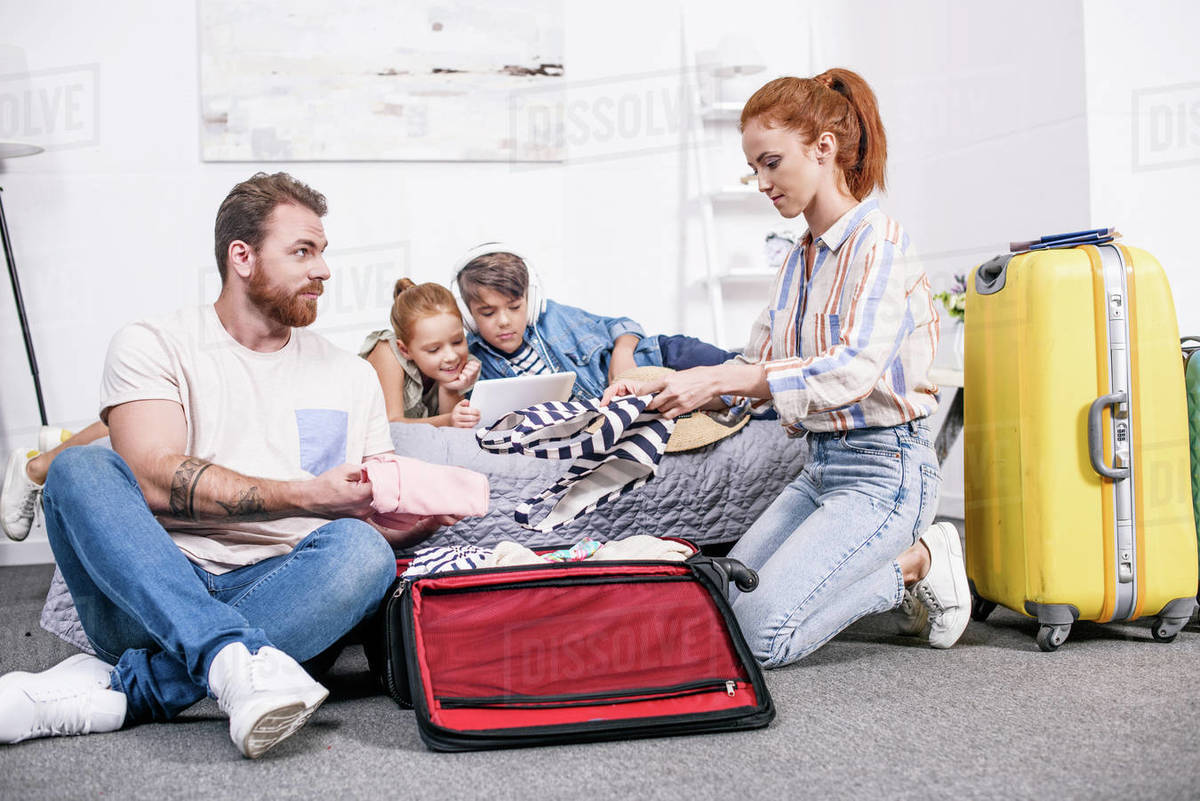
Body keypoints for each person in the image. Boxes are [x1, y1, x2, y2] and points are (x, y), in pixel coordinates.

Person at [0, 172, 457, 757]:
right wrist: (305, 495)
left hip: (284, 593)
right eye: (302, 251)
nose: (324, 270)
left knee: (363, 553)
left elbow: (366, 506)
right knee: (77, 470)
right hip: (152, 591)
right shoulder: (153, 343)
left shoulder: (351, 374)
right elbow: (155, 479)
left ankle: (138, 688)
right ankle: (229, 659)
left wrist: (404, 513)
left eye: (323, 253)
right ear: (242, 256)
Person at [602, 69, 970, 668]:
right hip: (819, 468)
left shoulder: (879, 242)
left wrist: (720, 379)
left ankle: (919, 561)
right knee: (720, 603)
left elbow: (850, 372)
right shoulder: (799, 260)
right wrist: (664, 389)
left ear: (823, 148)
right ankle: (895, 562)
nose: (761, 183)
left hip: (886, 472)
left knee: (759, 641)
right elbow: (757, 370)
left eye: (771, 163)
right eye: (755, 169)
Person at [451, 243, 740, 400]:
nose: (504, 321)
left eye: (514, 307)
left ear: (531, 299)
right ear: (468, 316)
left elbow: (623, 324)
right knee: (726, 396)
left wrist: (623, 354)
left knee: (738, 372)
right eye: (488, 313)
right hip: (622, 402)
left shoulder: (552, 317)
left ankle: (771, 381)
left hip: (659, 355)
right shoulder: (475, 363)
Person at [359, 278, 481, 428]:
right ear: (404, 349)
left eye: (457, 341)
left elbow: (452, 435)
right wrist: (448, 420)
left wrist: (450, 387)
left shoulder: (462, 364)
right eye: (434, 349)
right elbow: (392, 426)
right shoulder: (387, 351)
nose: (452, 356)